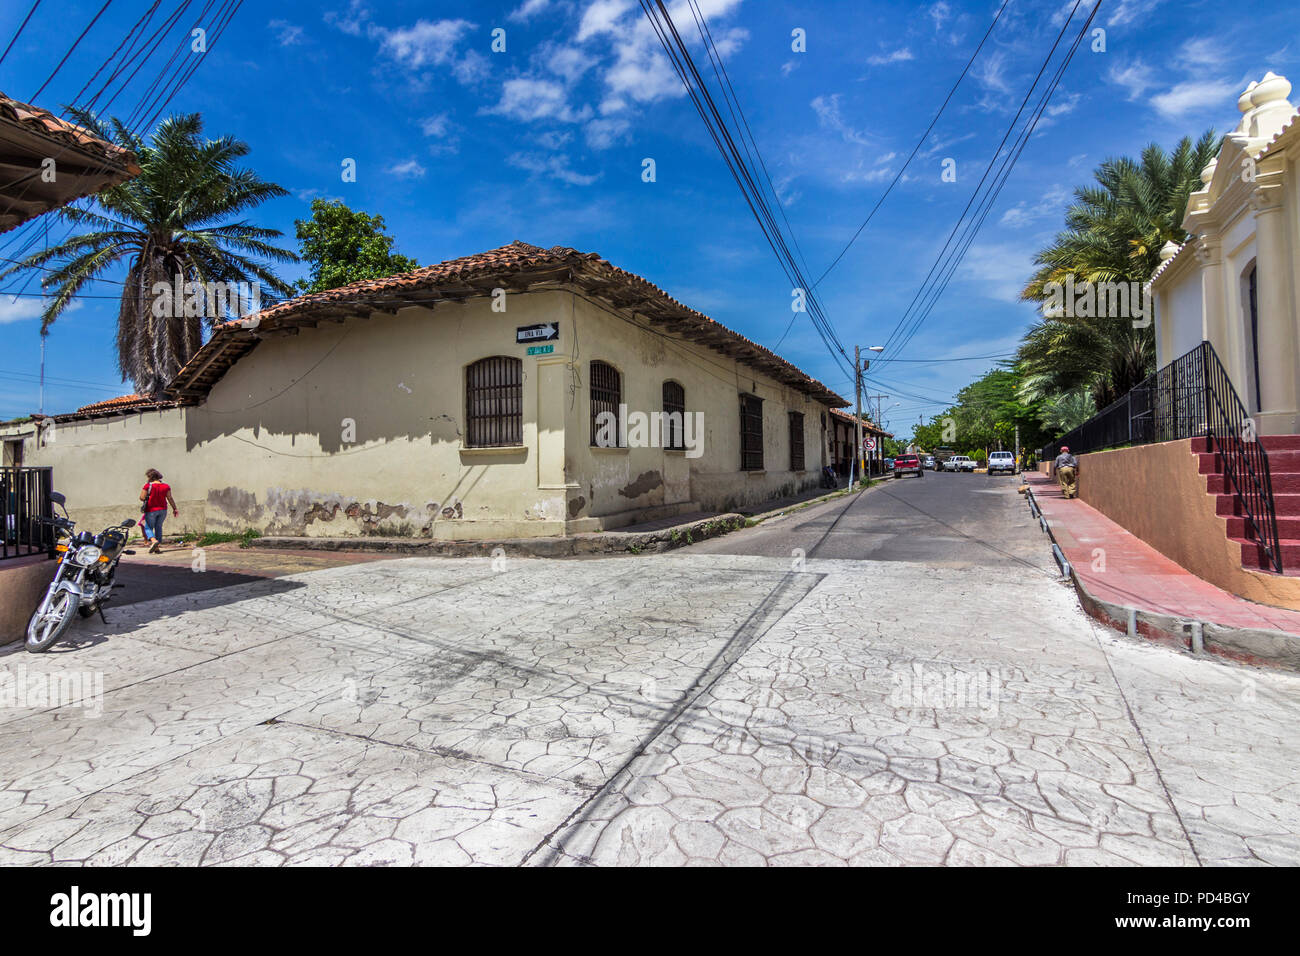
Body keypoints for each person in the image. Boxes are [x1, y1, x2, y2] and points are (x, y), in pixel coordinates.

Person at [139, 468, 178, 553]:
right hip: (163, 510)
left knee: (148, 527)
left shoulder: (148, 486)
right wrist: (174, 508)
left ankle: (154, 541)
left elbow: (142, 498)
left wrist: (149, 497)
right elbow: (170, 498)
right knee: (158, 527)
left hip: (151, 510)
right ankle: (157, 548)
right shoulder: (166, 486)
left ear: (150, 477)